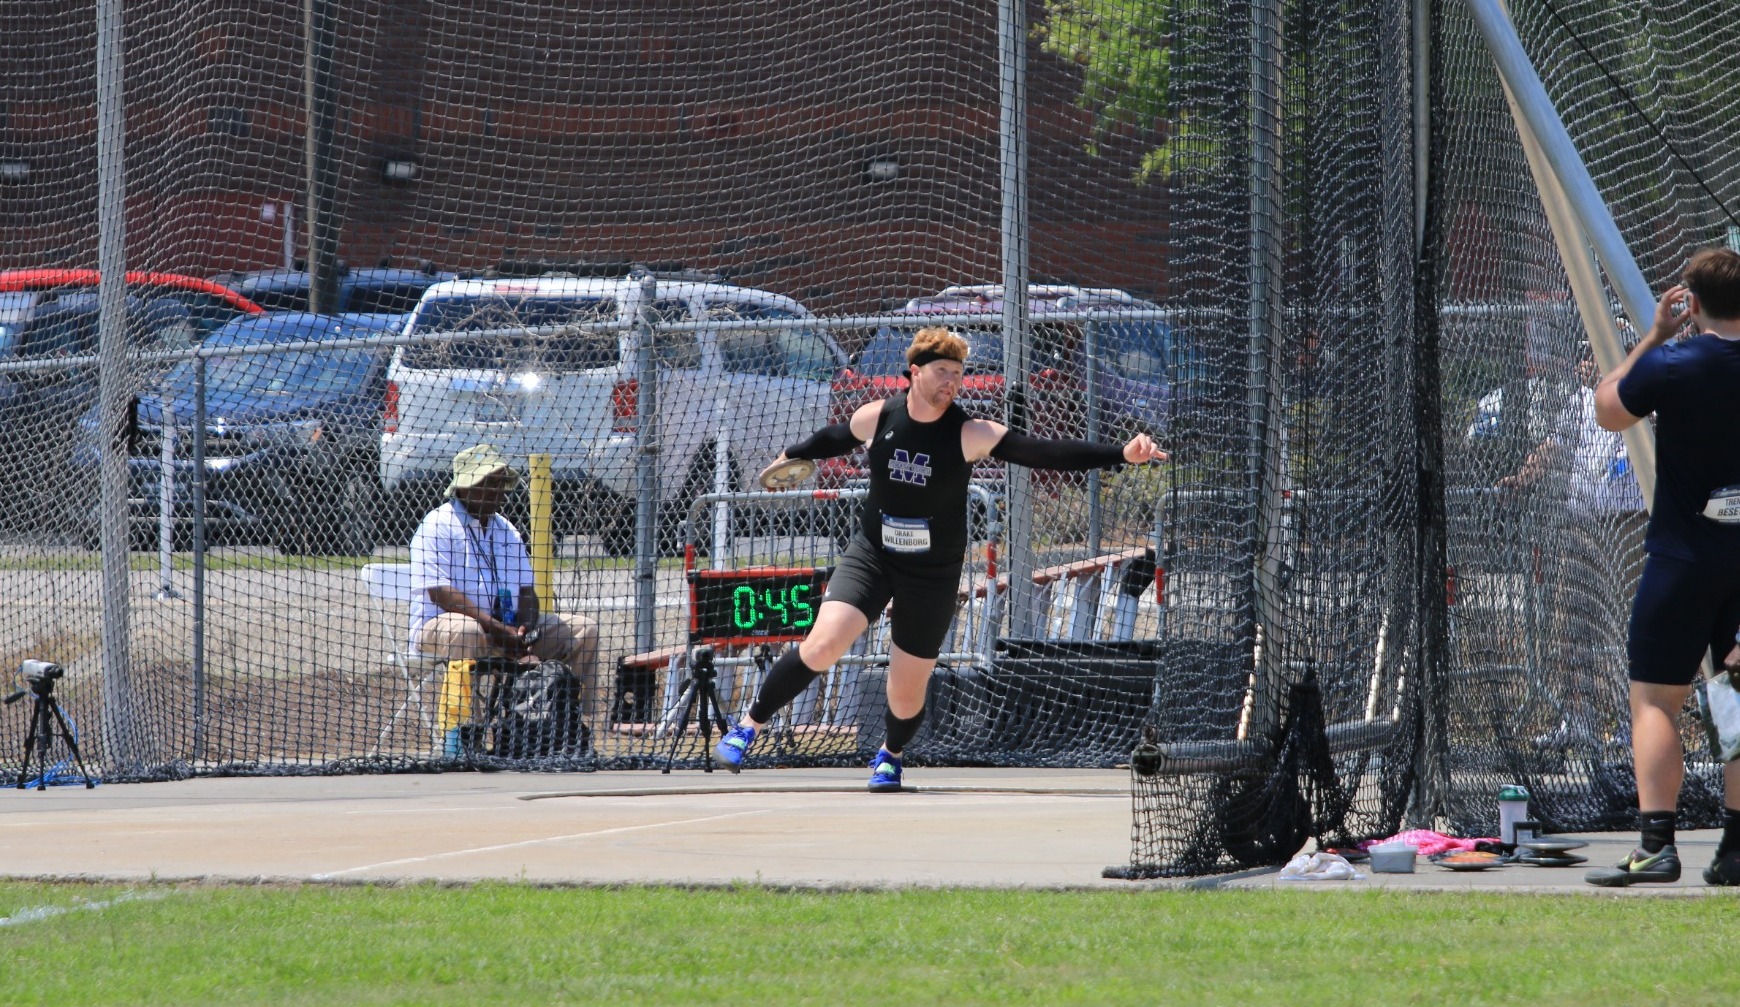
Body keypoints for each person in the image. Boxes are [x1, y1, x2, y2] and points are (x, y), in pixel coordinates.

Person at [712, 326, 1167, 791]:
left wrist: (1121, 454)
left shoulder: (970, 432)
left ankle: (890, 755)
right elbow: (831, 438)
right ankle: (747, 728)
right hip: (872, 556)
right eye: (942, 371)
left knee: (905, 692)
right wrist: (789, 455)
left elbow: (1044, 452)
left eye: (958, 373)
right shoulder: (880, 415)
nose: (952, 381)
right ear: (915, 372)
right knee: (824, 644)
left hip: (932, 574)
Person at [1584, 248, 1740, 887]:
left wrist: (1652, 335)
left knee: (1654, 698)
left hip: (1682, 557)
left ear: (1692, 304)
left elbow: (1608, 408)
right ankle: (1735, 849)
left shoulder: (1673, 363)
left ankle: (1656, 846)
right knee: (1737, 699)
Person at [409, 444, 600, 716]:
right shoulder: (437, 524)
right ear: (463, 487)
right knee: (467, 630)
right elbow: (442, 595)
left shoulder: (506, 529)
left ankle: (570, 724)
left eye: (500, 483)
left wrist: (525, 630)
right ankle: (465, 734)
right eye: (487, 483)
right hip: (443, 629)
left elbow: (526, 593)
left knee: (584, 629)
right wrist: (500, 630)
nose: (497, 491)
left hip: (507, 632)